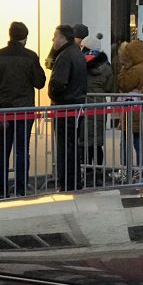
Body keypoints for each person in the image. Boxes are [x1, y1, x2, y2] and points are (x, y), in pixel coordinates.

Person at [0, 21, 47, 198]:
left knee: (3, 150)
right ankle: (21, 188)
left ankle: (1, 189)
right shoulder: (30, 56)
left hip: (3, 110)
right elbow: (40, 82)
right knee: (22, 149)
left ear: (10, 35)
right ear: (25, 38)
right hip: (24, 110)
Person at [49, 24, 88, 190]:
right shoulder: (77, 53)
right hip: (76, 106)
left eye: (55, 36)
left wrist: (54, 95)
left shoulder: (65, 56)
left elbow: (58, 84)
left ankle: (66, 182)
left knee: (65, 148)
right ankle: (73, 181)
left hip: (65, 107)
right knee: (72, 146)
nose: (52, 39)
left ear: (63, 38)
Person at [117, 39, 143, 173]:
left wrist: (124, 68)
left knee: (126, 141)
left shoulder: (134, 70)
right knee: (141, 141)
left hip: (132, 110)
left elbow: (124, 85)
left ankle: (126, 169)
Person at [83, 36, 116, 184]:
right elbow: (110, 88)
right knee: (97, 142)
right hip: (100, 107)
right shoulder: (106, 66)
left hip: (84, 106)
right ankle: (98, 171)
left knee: (85, 142)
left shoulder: (81, 64)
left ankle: (88, 172)